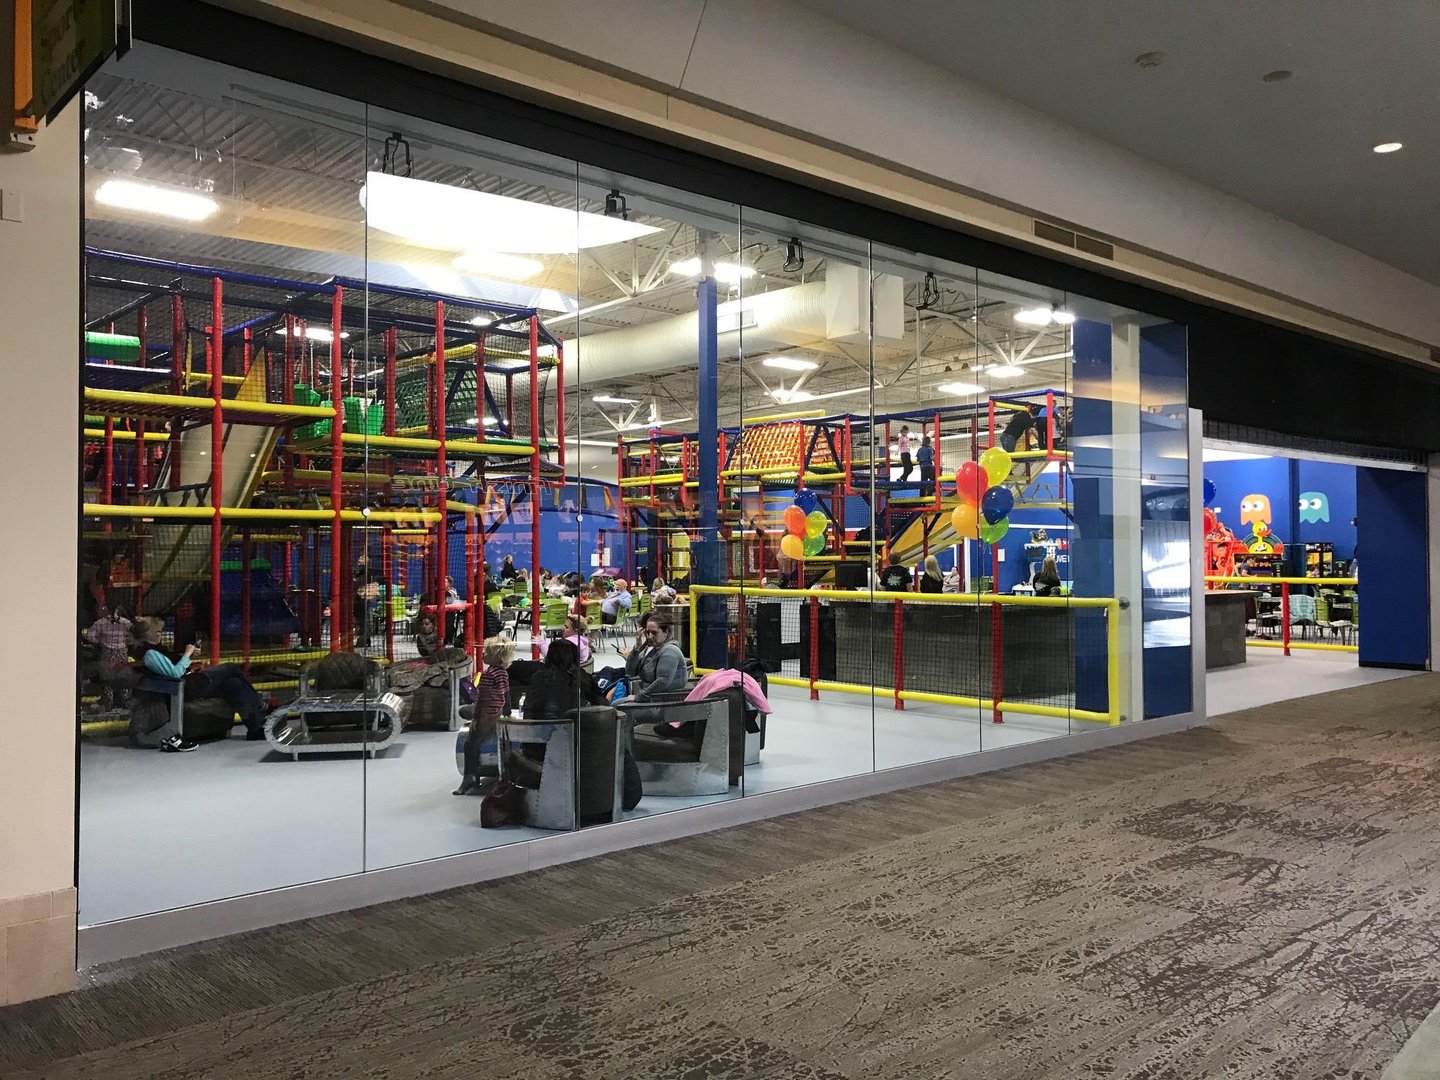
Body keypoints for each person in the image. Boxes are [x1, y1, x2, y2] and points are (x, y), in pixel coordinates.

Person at [131, 616, 267, 746]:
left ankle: (255, 727)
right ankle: (259, 703)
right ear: (150, 634)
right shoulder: (150, 653)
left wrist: (189, 660)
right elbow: (175, 674)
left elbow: (175, 667)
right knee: (231, 668)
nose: (160, 635)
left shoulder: (156, 650)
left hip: (191, 682)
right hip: (186, 687)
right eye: (159, 632)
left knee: (234, 684)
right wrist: (187, 654)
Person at [455, 636, 513, 795]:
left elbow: (482, 699)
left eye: (486, 652)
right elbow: (506, 695)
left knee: (470, 744)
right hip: (498, 712)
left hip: (486, 714)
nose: (482, 654)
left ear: (495, 656)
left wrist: (476, 719)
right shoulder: (503, 673)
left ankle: (469, 777)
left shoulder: (488, 675)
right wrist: (506, 713)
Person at [618, 614, 688, 704]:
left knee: (616, 705)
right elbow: (631, 671)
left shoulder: (670, 651)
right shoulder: (652, 648)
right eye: (647, 632)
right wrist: (637, 648)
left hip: (662, 702)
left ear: (666, 632)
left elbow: (662, 682)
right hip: (651, 697)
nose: (650, 636)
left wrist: (638, 697)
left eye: (654, 633)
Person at [83, 606, 135, 711]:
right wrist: (125, 641)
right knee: (122, 676)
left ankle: (108, 701)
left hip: (107, 652)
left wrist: (99, 641)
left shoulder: (100, 623)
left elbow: (89, 636)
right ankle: (125, 701)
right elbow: (135, 633)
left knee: (107, 678)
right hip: (122, 652)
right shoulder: (126, 622)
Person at [443, 575, 462, 645]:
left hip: (450, 612)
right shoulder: (439, 592)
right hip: (441, 613)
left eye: (445, 582)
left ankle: (448, 638)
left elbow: (450, 601)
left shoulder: (452, 591)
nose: (442, 583)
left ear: (449, 583)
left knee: (449, 615)